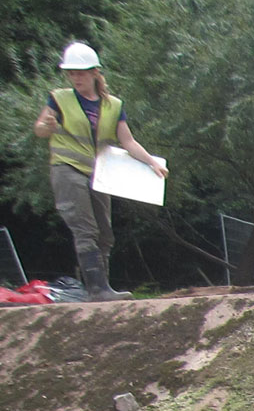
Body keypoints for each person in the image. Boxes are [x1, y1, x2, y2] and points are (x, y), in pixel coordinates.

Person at [30, 41, 166, 301]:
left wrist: (152, 162)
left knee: (105, 233)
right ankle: (97, 289)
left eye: (80, 72)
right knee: (86, 229)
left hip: (99, 174)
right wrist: (45, 125)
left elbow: (128, 141)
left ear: (95, 72)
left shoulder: (113, 105)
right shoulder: (59, 98)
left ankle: (103, 290)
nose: (75, 77)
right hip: (67, 169)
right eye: (71, 73)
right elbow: (40, 129)